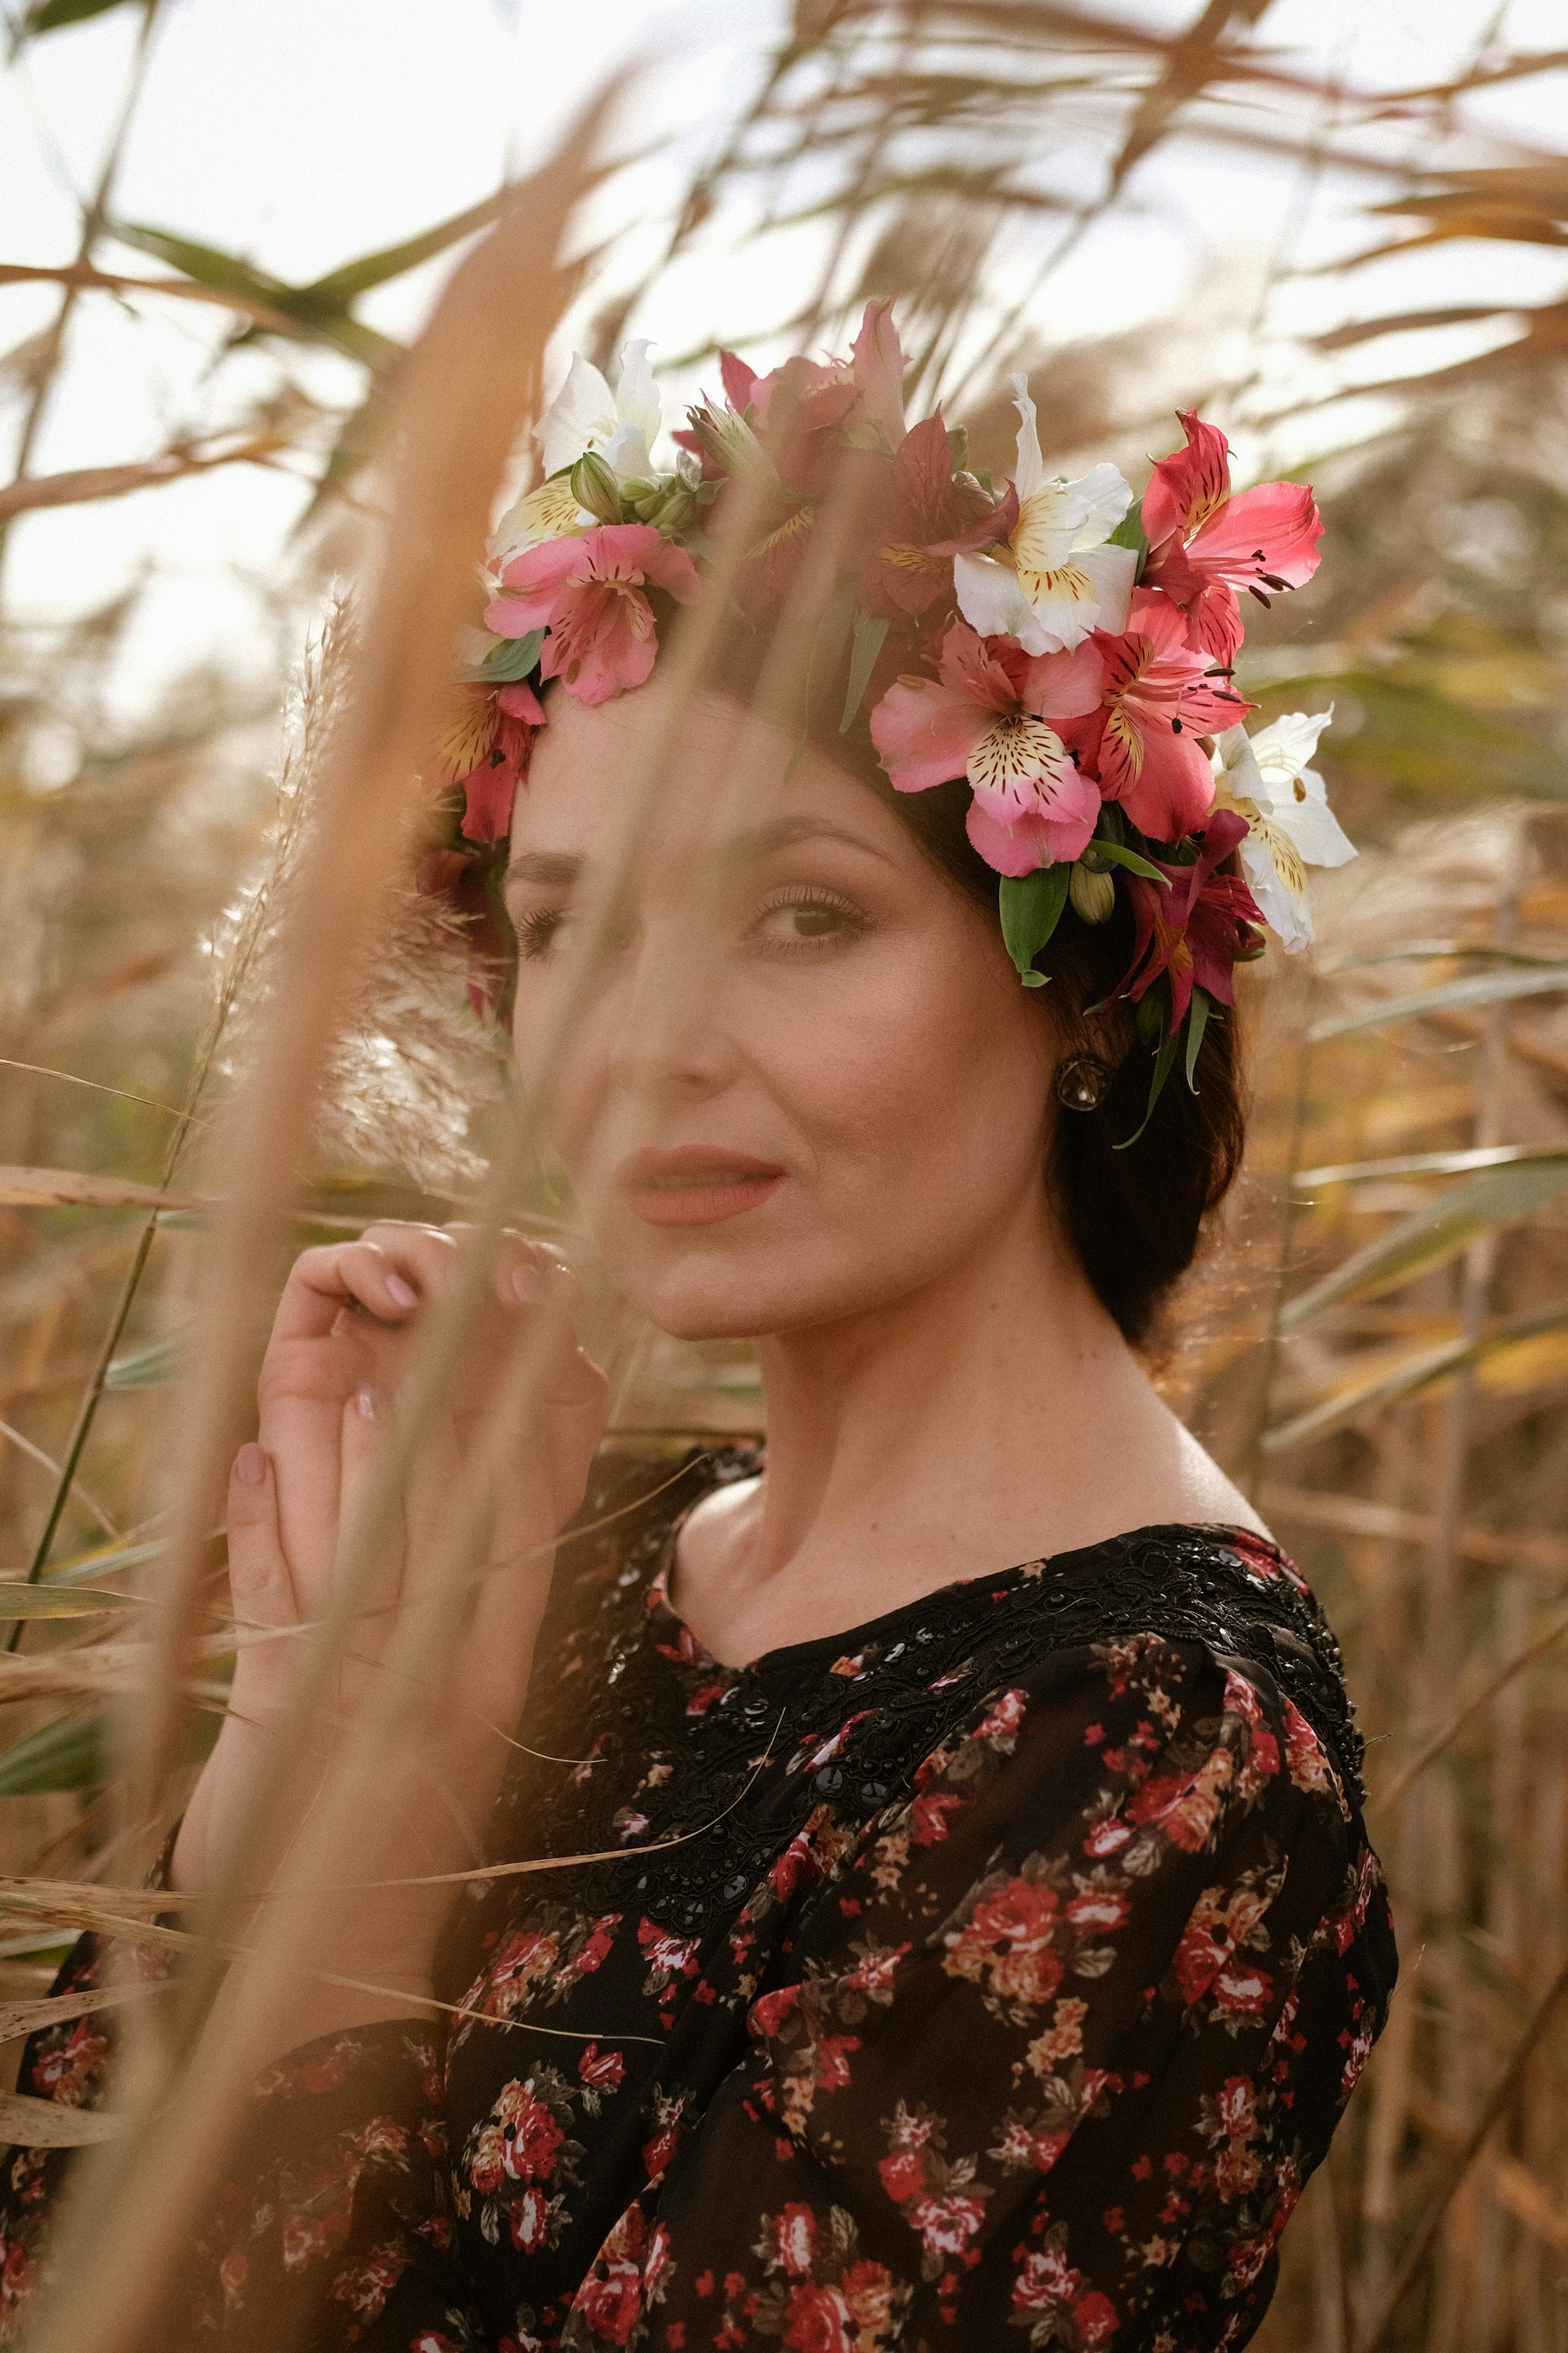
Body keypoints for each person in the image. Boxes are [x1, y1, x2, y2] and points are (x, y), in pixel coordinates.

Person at [0, 311, 1392, 2352]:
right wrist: (325, 1724)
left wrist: (354, 1899)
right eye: (572, 925)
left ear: (1092, 993)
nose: (641, 1048)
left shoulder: (1148, 1757)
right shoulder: (579, 1545)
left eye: (801, 914)